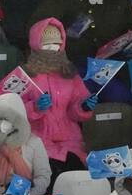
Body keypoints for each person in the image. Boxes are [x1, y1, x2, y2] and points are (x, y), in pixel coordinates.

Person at [20, 18, 94, 173]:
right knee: (48, 173)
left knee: (76, 171)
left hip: (69, 137)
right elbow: (12, 110)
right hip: (37, 137)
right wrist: (34, 107)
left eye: (56, 45)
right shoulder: (24, 75)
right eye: (47, 45)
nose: (52, 49)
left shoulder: (69, 74)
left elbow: (75, 108)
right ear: (35, 44)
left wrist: (84, 106)